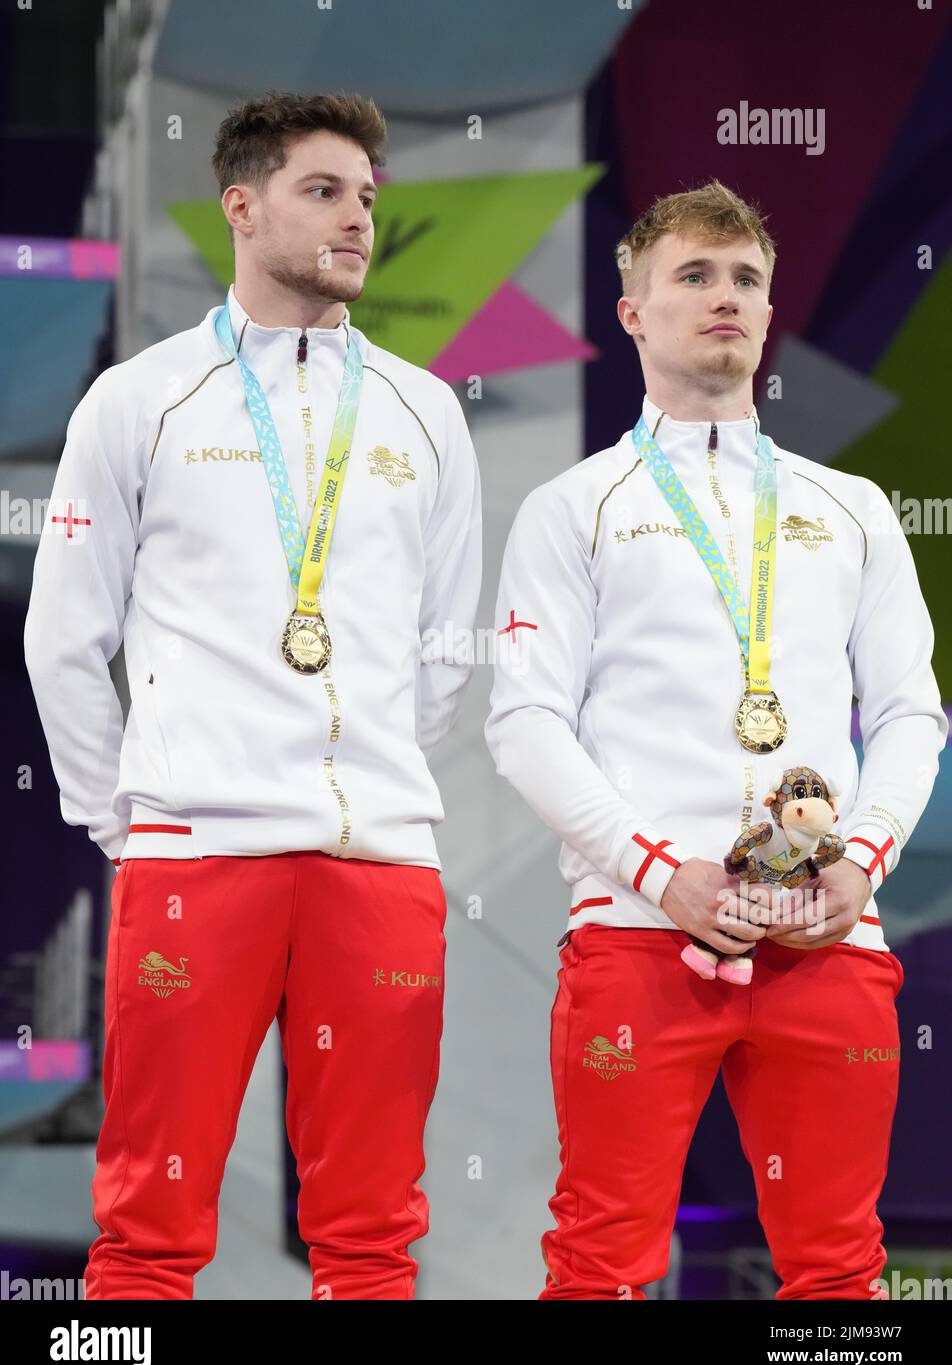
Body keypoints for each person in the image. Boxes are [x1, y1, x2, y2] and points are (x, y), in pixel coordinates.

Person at [24, 90, 482, 1301]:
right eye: (323, 191)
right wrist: (129, 820)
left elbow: (444, 646)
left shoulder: (425, 413)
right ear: (241, 205)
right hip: (196, 850)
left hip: (377, 859)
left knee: (374, 1232)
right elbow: (63, 638)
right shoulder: (140, 397)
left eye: (369, 200)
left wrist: (378, 773)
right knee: (148, 1230)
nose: (356, 220)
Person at [484, 179, 946, 1300]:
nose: (723, 295)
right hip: (641, 934)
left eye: (744, 277)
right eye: (692, 274)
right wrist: (660, 873)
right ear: (632, 310)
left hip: (828, 935)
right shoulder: (574, 506)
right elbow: (526, 721)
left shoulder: (852, 510)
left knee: (839, 1271)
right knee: (600, 1262)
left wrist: (859, 862)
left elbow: (908, 714)